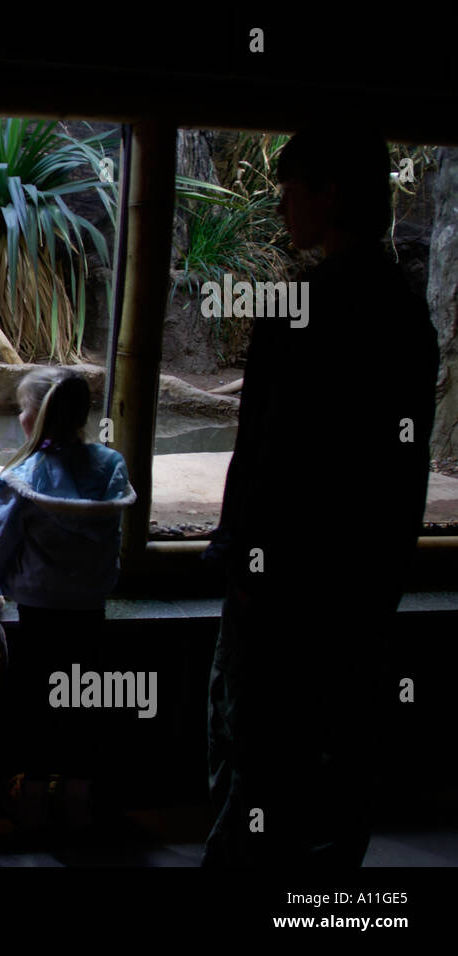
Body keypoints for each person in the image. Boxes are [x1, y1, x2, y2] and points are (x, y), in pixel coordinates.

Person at [202, 123, 440, 866]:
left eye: (289, 190)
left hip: (284, 588)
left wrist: (241, 558)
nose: (281, 209)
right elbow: (404, 465)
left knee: (255, 758)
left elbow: (264, 452)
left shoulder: (296, 307)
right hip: (363, 584)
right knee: (339, 765)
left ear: (328, 193)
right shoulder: (409, 315)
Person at [0, 367, 136, 844]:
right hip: (90, 610)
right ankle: (77, 807)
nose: (19, 416)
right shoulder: (111, 467)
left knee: (35, 708)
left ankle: (30, 804)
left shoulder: (22, 476)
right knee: (82, 703)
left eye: (22, 409)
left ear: (35, 418)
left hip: (37, 613)